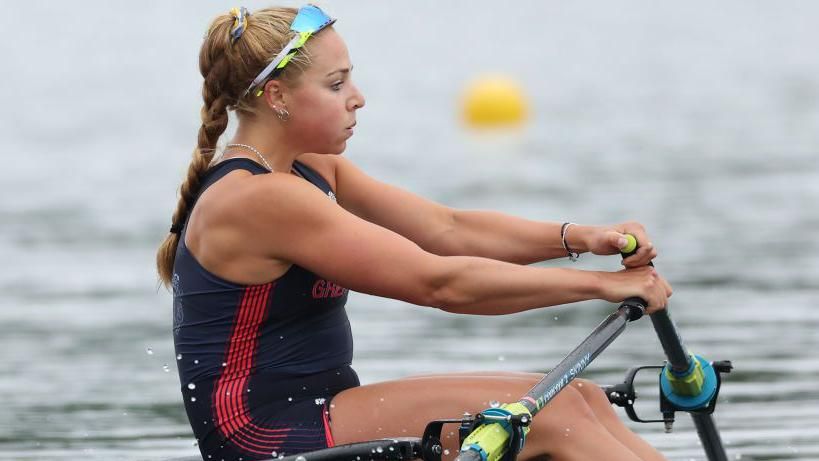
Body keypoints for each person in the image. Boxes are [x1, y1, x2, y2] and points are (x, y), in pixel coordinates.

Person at [156, 5, 673, 461]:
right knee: (555, 419)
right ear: (277, 97)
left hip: (324, 407)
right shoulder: (259, 198)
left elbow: (446, 229)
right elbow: (440, 285)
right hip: (262, 436)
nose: (358, 98)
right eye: (336, 85)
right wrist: (605, 286)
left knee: (580, 398)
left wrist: (583, 238)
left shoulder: (310, 168)